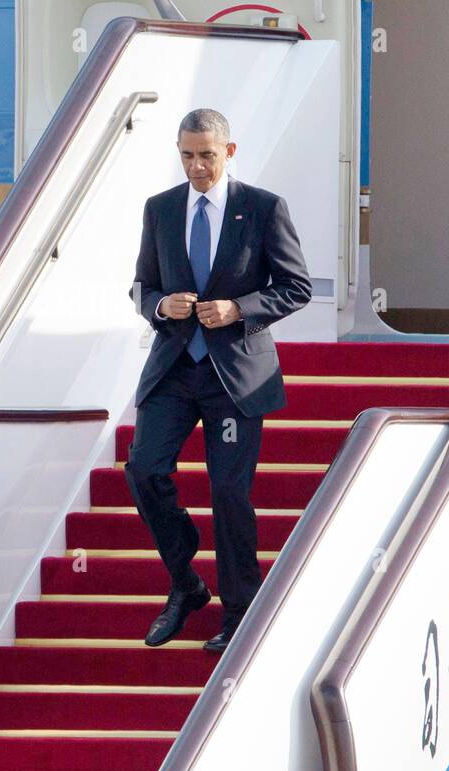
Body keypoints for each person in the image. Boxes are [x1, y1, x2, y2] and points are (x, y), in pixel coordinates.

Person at [126, 108, 312, 652]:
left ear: (229, 152)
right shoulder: (160, 209)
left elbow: (296, 286)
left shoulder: (262, 207)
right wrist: (162, 305)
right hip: (176, 367)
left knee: (229, 491)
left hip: (235, 375)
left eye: (207, 155)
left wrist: (239, 309)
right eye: (187, 155)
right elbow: (141, 287)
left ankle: (239, 611)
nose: (197, 166)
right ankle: (186, 583)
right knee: (144, 469)